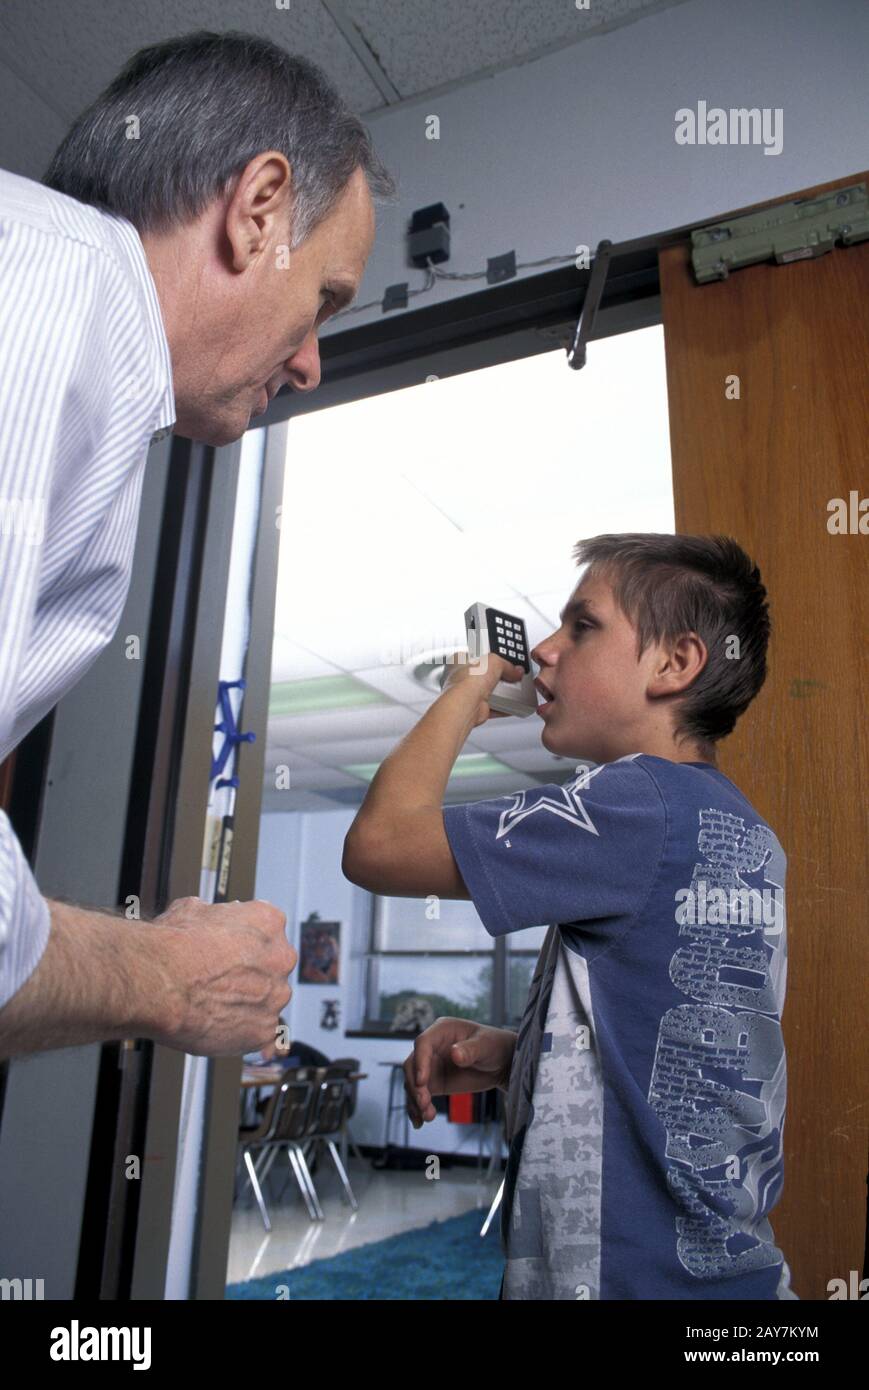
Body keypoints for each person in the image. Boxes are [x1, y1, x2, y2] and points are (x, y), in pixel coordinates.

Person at [0, 30, 395, 1060]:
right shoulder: (48, 282)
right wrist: (167, 974)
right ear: (258, 208)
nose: (310, 362)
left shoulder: (86, 345)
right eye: (324, 300)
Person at [343, 532, 798, 1301]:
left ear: (674, 664)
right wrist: (522, 1053)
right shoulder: (738, 829)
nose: (546, 650)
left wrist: (466, 689)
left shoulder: (624, 802)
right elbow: (679, 1038)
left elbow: (379, 846)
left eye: (581, 626)